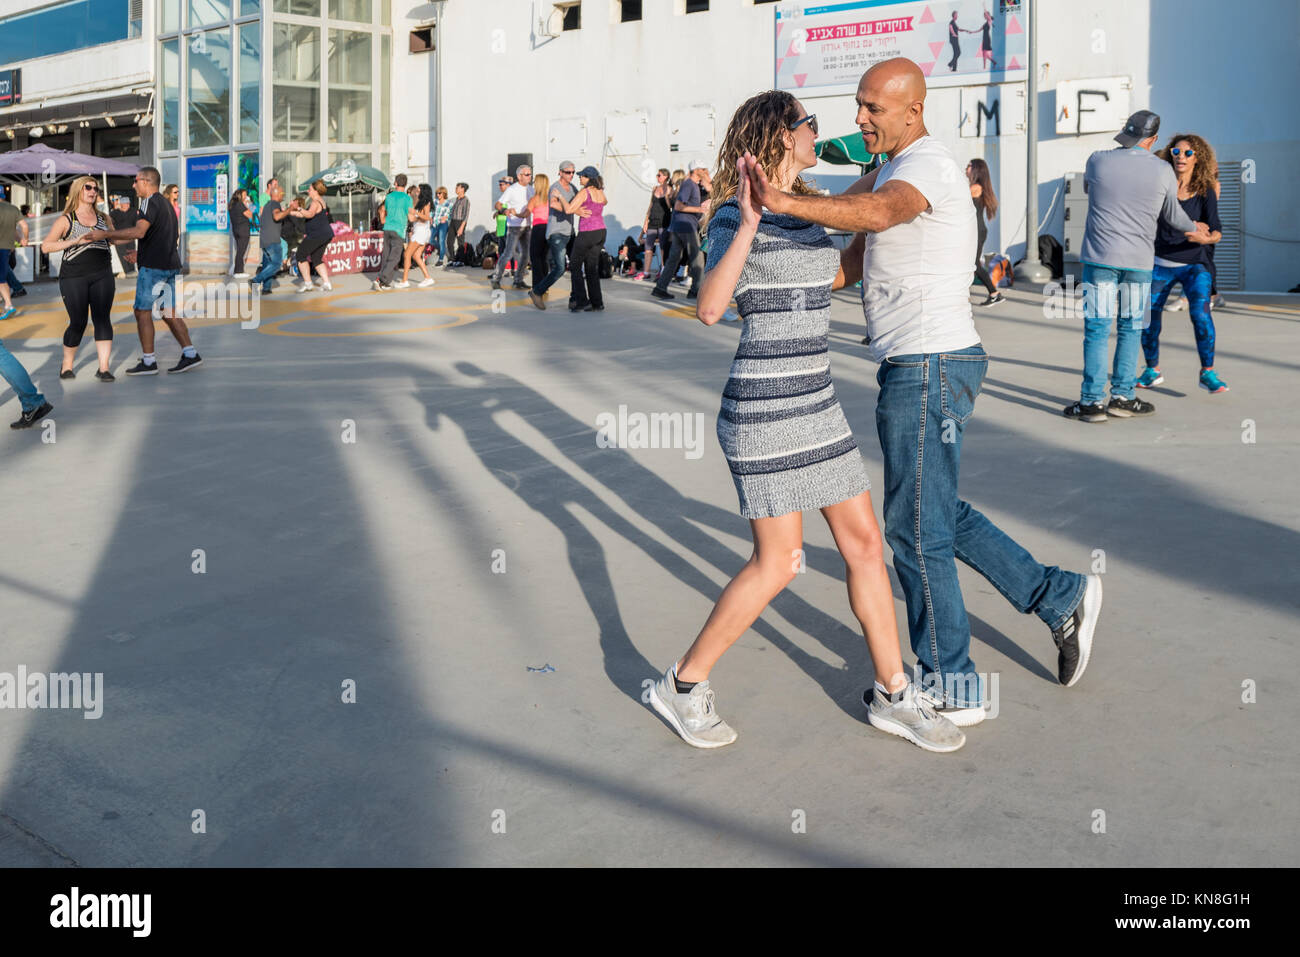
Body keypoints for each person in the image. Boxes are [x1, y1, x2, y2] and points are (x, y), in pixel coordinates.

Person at [743, 59, 1103, 724]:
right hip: (923, 362)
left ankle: (953, 684)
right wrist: (760, 263)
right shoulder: (888, 168)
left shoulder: (926, 167)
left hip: (929, 362)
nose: (859, 119)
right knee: (935, 512)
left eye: (873, 109)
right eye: (858, 105)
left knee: (913, 531)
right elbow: (845, 267)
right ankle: (1059, 595)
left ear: (912, 111)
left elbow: (880, 214)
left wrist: (788, 200)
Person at [649, 91, 964, 753]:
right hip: (763, 412)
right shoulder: (739, 211)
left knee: (865, 547)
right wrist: (747, 221)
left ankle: (893, 692)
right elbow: (710, 308)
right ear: (781, 134)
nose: (822, 130)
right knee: (780, 563)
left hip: (817, 405)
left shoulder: (810, 207)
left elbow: (833, 273)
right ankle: (682, 683)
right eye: (809, 124)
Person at [1063, 109, 1209, 422]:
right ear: (1154, 139)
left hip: (1101, 259)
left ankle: (1091, 403)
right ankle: (1123, 397)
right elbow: (1173, 215)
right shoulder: (1163, 171)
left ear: (1126, 132)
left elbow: (1091, 191)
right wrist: (1195, 226)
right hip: (1139, 263)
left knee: (1097, 330)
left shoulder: (1097, 159)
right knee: (1130, 328)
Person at [88, 166, 202, 375]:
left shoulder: (148, 202)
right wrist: (139, 254)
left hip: (154, 268)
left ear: (146, 182)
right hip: (170, 265)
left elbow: (140, 231)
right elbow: (162, 237)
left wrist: (104, 235)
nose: (133, 185)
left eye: (135, 181)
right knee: (168, 311)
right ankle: (190, 353)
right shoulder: (167, 205)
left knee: (142, 311)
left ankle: (149, 361)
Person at [1138, 133, 1226, 394]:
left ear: (1197, 158)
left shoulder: (1205, 189)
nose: (1181, 157)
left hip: (1194, 264)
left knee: (1200, 314)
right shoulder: (1159, 186)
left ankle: (1207, 373)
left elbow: (1217, 228)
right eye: (1176, 152)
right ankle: (1152, 369)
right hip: (1159, 263)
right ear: (1169, 155)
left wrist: (1206, 237)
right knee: (1147, 318)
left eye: (1188, 153)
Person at [40, 176, 116, 381]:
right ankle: (67, 365)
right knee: (78, 321)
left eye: (95, 188)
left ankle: (104, 368)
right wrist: (75, 240)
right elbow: (46, 246)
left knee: (102, 318)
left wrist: (115, 235)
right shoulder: (66, 219)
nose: (93, 191)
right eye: (88, 187)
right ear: (78, 191)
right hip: (73, 277)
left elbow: (115, 239)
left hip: (102, 274)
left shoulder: (104, 218)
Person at [651, 160, 709, 301]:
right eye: (702, 168)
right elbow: (678, 205)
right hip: (686, 226)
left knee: (674, 259)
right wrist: (699, 209)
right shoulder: (689, 184)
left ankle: (660, 288)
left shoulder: (692, 184)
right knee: (697, 259)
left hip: (679, 226)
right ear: (695, 170)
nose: (704, 170)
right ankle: (696, 290)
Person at [527, 163, 577, 309]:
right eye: (568, 172)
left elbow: (579, 201)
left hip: (570, 231)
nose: (571, 175)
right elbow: (554, 205)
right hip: (556, 232)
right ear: (560, 172)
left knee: (575, 265)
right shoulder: (554, 188)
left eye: (573, 172)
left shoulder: (573, 188)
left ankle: (575, 298)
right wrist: (571, 208)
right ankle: (537, 291)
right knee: (559, 268)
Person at [563, 166, 607, 312]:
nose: (579, 178)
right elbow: (604, 202)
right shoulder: (600, 191)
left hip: (587, 232)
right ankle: (597, 303)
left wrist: (562, 198)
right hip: (601, 232)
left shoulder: (585, 192)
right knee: (591, 268)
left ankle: (582, 301)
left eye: (582, 176)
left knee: (575, 266)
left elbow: (568, 209)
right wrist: (581, 210)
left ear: (589, 178)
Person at [966, 158, 1004, 306]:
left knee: (973, 264)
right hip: (976, 230)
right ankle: (992, 293)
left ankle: (994, 293)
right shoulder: (975, 187)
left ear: (976, 170)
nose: (966, 168)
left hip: (977, 231)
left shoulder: (975, 188)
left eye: (969, 166)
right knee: (970, 263)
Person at [286, 180, 334, 292]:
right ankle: (327, 283)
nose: (308, 191)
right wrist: (289, 212)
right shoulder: (321, 201)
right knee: (316, 259)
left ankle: (308, 284)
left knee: (300, 255)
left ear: (316, 191)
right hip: (325, 234)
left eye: (310, 189)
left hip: (317, 235)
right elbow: (305, 215)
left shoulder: (315, 202)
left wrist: (297, 207)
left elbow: (309, 214)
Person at [492, 165, 533, 291]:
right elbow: (497, 204)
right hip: (514, 227)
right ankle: (496, 279)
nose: (529, 176)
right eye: (527, 174)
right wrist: (504, 210)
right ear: (519, 176)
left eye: (530, 174)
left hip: (526, 226)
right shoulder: (512, 190)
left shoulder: (532, 189)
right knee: (508, 254)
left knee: (526, 255)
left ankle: (518, 280)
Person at [373, 173, 413, 290]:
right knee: (395, 258)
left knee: (386, 255)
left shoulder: (389, 197)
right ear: (405, 184)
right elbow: (410, 217)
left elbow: (383, 211)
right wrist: (418, 217)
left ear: (395, 183)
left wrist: (383, 218)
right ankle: (380, 279)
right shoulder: (407, 198)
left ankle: (385, 283)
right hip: (398, 230)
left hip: (387, 228)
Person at [251, 179, 289, 295]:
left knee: (267, 264)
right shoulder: (274, 203)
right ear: (277, 194)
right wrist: (290, 209)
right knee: (277, 263)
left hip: (265, 238)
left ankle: (266, 288)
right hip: (272, 239)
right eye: (282, 194)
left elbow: (263, 217)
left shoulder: (268, 204)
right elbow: (277, 217)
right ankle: (255, 280)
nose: (283, 196)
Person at [400, 183, 435, 288]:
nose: (417, 192)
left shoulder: (426, 203)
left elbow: (426, 218)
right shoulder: (420, 203)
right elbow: (416, 219)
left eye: (419, 190)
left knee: (407, 254)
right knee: (415, 256)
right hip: (419, 230)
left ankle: (404, 280)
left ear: (424, 191)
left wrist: (415, 212)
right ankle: (428, 278)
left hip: (421, 232)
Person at [640, 168, 671, 282]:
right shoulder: (654, 189)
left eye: (660, 175)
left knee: (663, 247)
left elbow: (669, 207)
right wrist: (645, 221)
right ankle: (646, 272)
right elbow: (651, 205)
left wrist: (666, 194)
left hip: (663, 222)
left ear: (666, 177)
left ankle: (662, 271)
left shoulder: (669, 189)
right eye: (657, 175)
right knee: (648, 246)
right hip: (652, 221)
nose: (657, 177)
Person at [0, 192, 28, 314]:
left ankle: (8, 305)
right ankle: (8, 304)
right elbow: (23, 226)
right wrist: (24, 239)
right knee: (2, 278)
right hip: (7, 249)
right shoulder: (13, 209)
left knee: (2, 278)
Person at [526, 172, 550, 293]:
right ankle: (545, 285)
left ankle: (537, 286)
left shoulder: (535, 199)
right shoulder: (551, 198)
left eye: (535, 181)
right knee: (544, 257)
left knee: (535, 257)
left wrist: (514, 213)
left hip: (538, 228)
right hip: (549, 228)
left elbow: (526, 213)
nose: (534, 183)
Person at [228, 188, 253, 278]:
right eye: (245, 195)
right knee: (241, 252)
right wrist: (248, 205)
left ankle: (236, 269)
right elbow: (250, 215)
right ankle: (238, 271)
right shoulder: (240, 204)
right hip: (243, 230)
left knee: (239, 250)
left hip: (236, 230)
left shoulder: (231, 204)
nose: (246, 197)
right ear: (240, 195)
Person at [110, 196, 136, 275]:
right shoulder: (114, 213)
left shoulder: (133, 212)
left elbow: (137, 223)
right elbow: (111, 225)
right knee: (122, 254)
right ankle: (127, 271)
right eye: (125, 204)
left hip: (131, 237)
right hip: (120, 238)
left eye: (128, 204)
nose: (127, 205)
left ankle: (132, 270)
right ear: (121, 204)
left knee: (131, 252)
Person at [446, 182, 470, 268]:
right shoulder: (456, 199)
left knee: (460, 242)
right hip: (453, 221)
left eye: (458, 187)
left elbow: (466, 215)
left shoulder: (466, 200)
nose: (456, 189)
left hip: (460, 222)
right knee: (449, 241)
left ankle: (461, 260)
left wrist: (462, 227)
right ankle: (452, 259)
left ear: (463, 189)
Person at [432, 186, 453, 266]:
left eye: (439, 193)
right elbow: (432, 211)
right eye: (437, 193)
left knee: (441, 240)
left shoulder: (449, 204)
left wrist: (446, 217)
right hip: (434, 223)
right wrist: (430, 218)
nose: (438, 195)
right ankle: (443, 250)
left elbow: (451, 214)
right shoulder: (435, 202)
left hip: (443, 224)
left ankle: (440, 260)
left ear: (444, 193)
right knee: (430, 240)